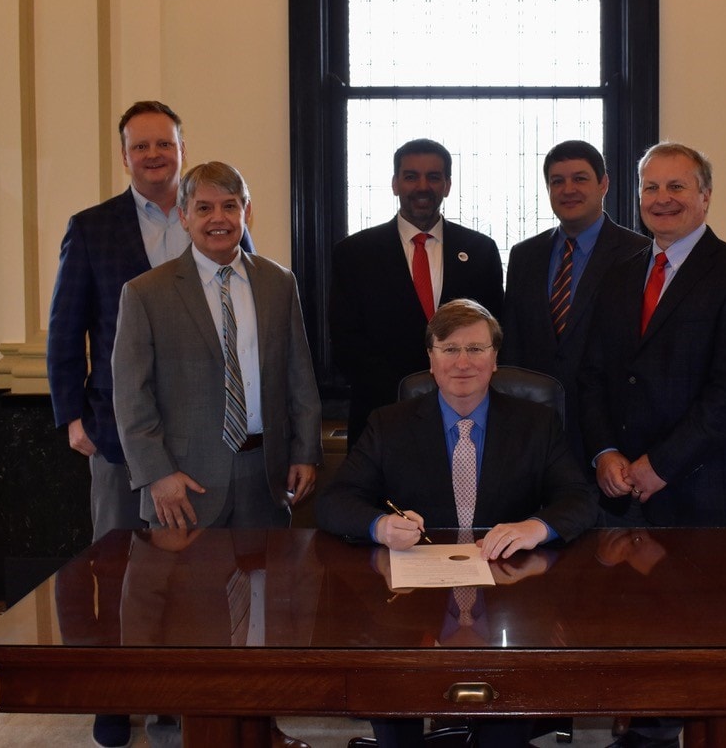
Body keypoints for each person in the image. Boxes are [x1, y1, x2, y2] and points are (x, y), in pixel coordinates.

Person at [46, 100, 251, 748]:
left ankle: (171, 696)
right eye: (142, 147)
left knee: (184, 575)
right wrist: (72, 416)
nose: (155, 155)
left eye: (165, 143)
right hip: (114, 433)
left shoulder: (220, 224)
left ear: (183, 149)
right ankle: (114, 698)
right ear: (125, 155)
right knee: (117, 570)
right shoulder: (93, 227)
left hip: (199, 439)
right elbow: (65, 328)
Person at [316, 298, 597, 748]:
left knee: (504, 725)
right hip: (413, 599)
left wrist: (536, 527)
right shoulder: (390, 424)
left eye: (476, 349)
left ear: (495, 358)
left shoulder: (536, 423)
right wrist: (380, 526)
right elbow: (334, 501)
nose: (462, 362)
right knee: (392, 690)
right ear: (430, 358)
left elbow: (580, 498)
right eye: (449, 349)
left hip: (510, 597)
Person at [579, 141, 726, 748]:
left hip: (698, 491)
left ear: (705, 196)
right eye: (650, 188)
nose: (661, 200)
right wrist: (605, 452)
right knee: (628, 622)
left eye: (676, 187)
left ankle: (670, 733)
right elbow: (592, 374)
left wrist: (659, 465)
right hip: (617, 491)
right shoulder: (618, 273)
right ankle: (640, 727)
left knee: (696, 632)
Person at [113, 161, 321, 531]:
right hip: (184, 483)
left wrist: (305, 453)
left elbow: (299, 376)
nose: (218, 218)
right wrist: (158, 475)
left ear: (247, 211)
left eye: (230, 205)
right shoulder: (146, 293)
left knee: (265, 587)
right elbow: (132, 397)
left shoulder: (279, 283)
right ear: (183, 216)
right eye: (204, 208)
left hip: (266, 477)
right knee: (187, 590)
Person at [330, 138, 504, 449]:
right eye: (411, 176)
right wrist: (413, 392)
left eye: (433, 177)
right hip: (383, 418)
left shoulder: (480, 251)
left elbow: (495, 338)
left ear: (447, 185)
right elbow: (346, 343)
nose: (422, 186)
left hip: (467, 418)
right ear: (395, 184)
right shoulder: (354, 254)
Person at [499, 140, 648, 464]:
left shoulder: (638, 253)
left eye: (580, 178)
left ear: (603, 183)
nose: (568, 189)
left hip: (609, 436)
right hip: (534, 430)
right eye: (557, 181)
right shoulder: (525, 255)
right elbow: (512, 343)